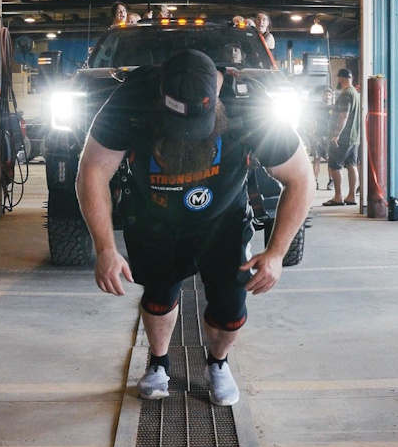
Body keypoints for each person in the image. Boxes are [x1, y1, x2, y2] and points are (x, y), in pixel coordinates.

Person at [76, 49, 314, 406]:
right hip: (154, 216)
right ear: (159, 96)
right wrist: (106, 249)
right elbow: (92, 171)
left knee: (231, 308)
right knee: (157, 297)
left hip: (223, 220)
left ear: (217, 98)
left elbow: (301, 179)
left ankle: (218, 364)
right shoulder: (132, 98)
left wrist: (277, 252)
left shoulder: (249, 104)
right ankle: (158, 363)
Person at [323, 68, 361, 206]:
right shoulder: (355, 93)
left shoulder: (345, 95)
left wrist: (336, 135)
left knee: (335, 165)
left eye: (339, 78)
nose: (338, 80)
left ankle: (338, 197)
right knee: (352, 165)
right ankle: (351, 196)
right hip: (354, 137)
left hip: (343, 138)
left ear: (342, 78)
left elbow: (343, 116)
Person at [304, 87, 335, 189]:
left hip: (329, 136)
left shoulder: (334, 108)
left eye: (329, 94)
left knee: (330, 160)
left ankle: (331, 181)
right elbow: (312, 120)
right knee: (316, 159)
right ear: (323, 96)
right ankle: (315, 181)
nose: (327, 96)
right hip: (318, 135)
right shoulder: (318, 108)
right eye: (326, 94)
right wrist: (311, 133)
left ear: (332, 96)